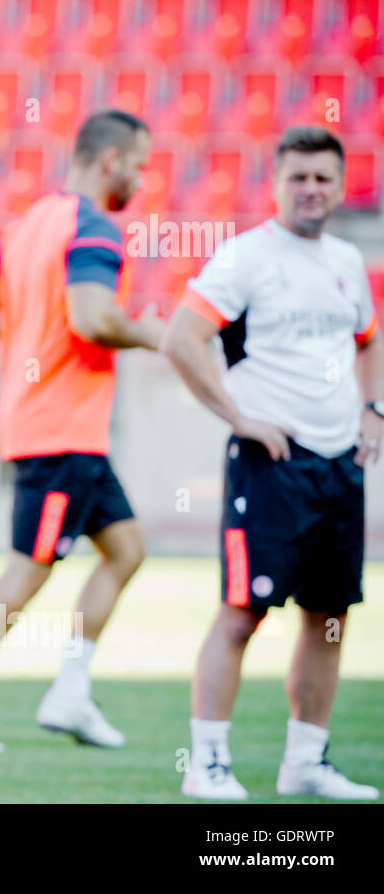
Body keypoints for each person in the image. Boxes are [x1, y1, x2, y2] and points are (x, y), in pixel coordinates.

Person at [0, 109, 163, 752]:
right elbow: (93, 319)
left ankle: (71, 692)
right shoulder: (95, 227)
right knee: (28, 568)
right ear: (111, 162)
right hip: (63, 431)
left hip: (60, 427)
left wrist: (31, 350)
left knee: (127, 547)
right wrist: (154, 333)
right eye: (138, 164)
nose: (140, 177)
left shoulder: (27, 225)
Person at [162, 126, 380, 800]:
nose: (311, 189)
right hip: (269, 465)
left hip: (337, 466)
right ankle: (208, 764)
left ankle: (305, 762)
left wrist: (374, 410)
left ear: (340, 186)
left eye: (322, 178)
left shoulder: (347, 260)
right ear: (277, 183)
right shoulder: (245, 259)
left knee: (329, 616)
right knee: (241, 613)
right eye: (298, 177)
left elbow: (368, 341)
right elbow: (180, 337)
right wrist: (240, 417)